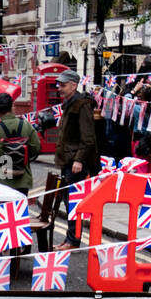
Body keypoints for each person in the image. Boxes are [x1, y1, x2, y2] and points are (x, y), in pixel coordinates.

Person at [53, 69, 99, 248]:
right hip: (68, 161)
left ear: (73, 86)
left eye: (63, 85)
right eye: (59, 85)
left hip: (75, 163)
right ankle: (70, 238)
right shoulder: (70, 103)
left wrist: (79, 160)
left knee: (74, 202)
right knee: (68, 200)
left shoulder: (81, 105)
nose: (59, 88)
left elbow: (88, 138)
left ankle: (73, 239)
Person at [0, 93, 41, 195]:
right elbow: (36, 148)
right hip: (22, 179)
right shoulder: (26, 125)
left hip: (1, 178)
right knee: (19, 210)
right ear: (12, 106)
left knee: (2, 209)